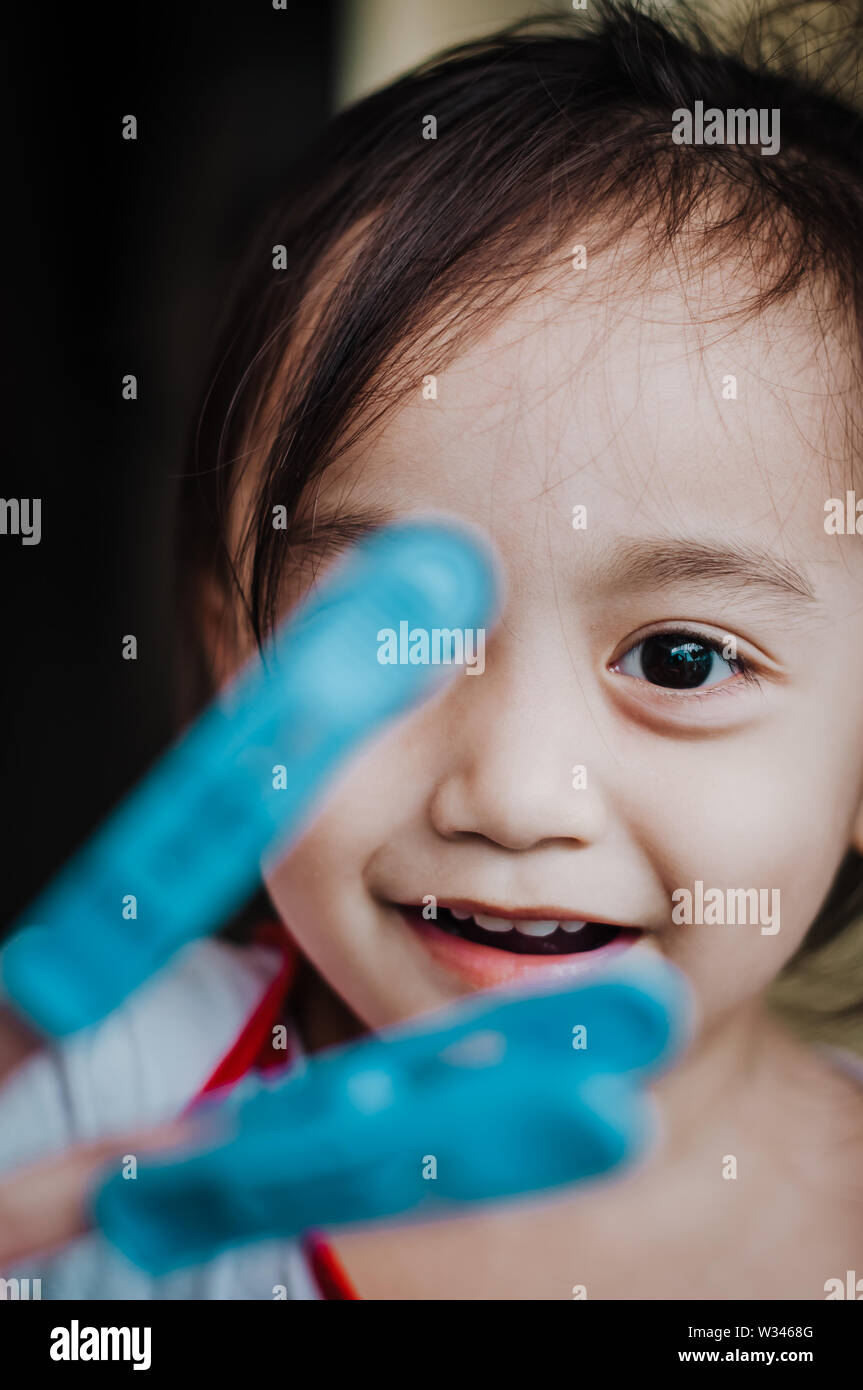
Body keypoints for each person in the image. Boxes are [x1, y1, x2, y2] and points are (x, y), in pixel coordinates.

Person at [2, 0, 863, 1298]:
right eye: (394, 636)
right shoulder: (78, 1111)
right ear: (237, 652)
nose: (511, 794)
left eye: (681, 659)